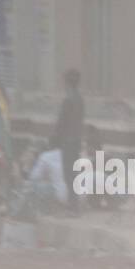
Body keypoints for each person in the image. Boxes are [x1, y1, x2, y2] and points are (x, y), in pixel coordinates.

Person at [53, 68, 84, 213]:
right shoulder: (79, 99)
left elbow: (61, 122)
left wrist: (54, 137)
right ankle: (74, 204)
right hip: (77, 139)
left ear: (67, 82)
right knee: (74, 173)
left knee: (68, 174)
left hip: (68, 141)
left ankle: (73, 206)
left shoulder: (68, 99)